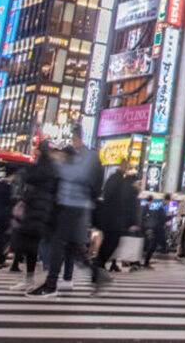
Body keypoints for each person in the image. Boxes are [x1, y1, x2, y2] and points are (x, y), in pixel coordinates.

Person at [28, 125, 108, 296]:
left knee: (59, 243)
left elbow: (78, 176)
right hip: (68, 204)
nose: (73, 141)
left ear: (79, 137)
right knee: (74, 247)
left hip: (76, 205)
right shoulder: (78, 156)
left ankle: (50, 285)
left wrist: (60, 162)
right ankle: (97, 273)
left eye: (74, 137)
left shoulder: (89, 157)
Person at [8, 141, 57, 291]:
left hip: (37, 209)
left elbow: (30, 176)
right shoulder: (50, 167)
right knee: (30, 245)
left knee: (28, 243)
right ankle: (29, 277)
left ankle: (30, 277)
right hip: (40, 209)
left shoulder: (43, 167)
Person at [94, 159, 139, 274]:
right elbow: (122, 200)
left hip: (111, 218)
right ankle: (98, 265)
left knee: (110, 242)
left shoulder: (116, 179)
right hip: (113, 218)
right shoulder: (118, 180)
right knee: (111, 242)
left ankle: (99, 265)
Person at [143, 194, 170, 268]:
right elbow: (163, 219)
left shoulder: (159, 208)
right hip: (157, 230)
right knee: (154, 245)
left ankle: (146, 261)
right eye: (168, 201)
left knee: (153, 245)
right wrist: (171, 216)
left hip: (156, 229)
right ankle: (146, 262)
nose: (168, 203)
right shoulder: (160, 208)